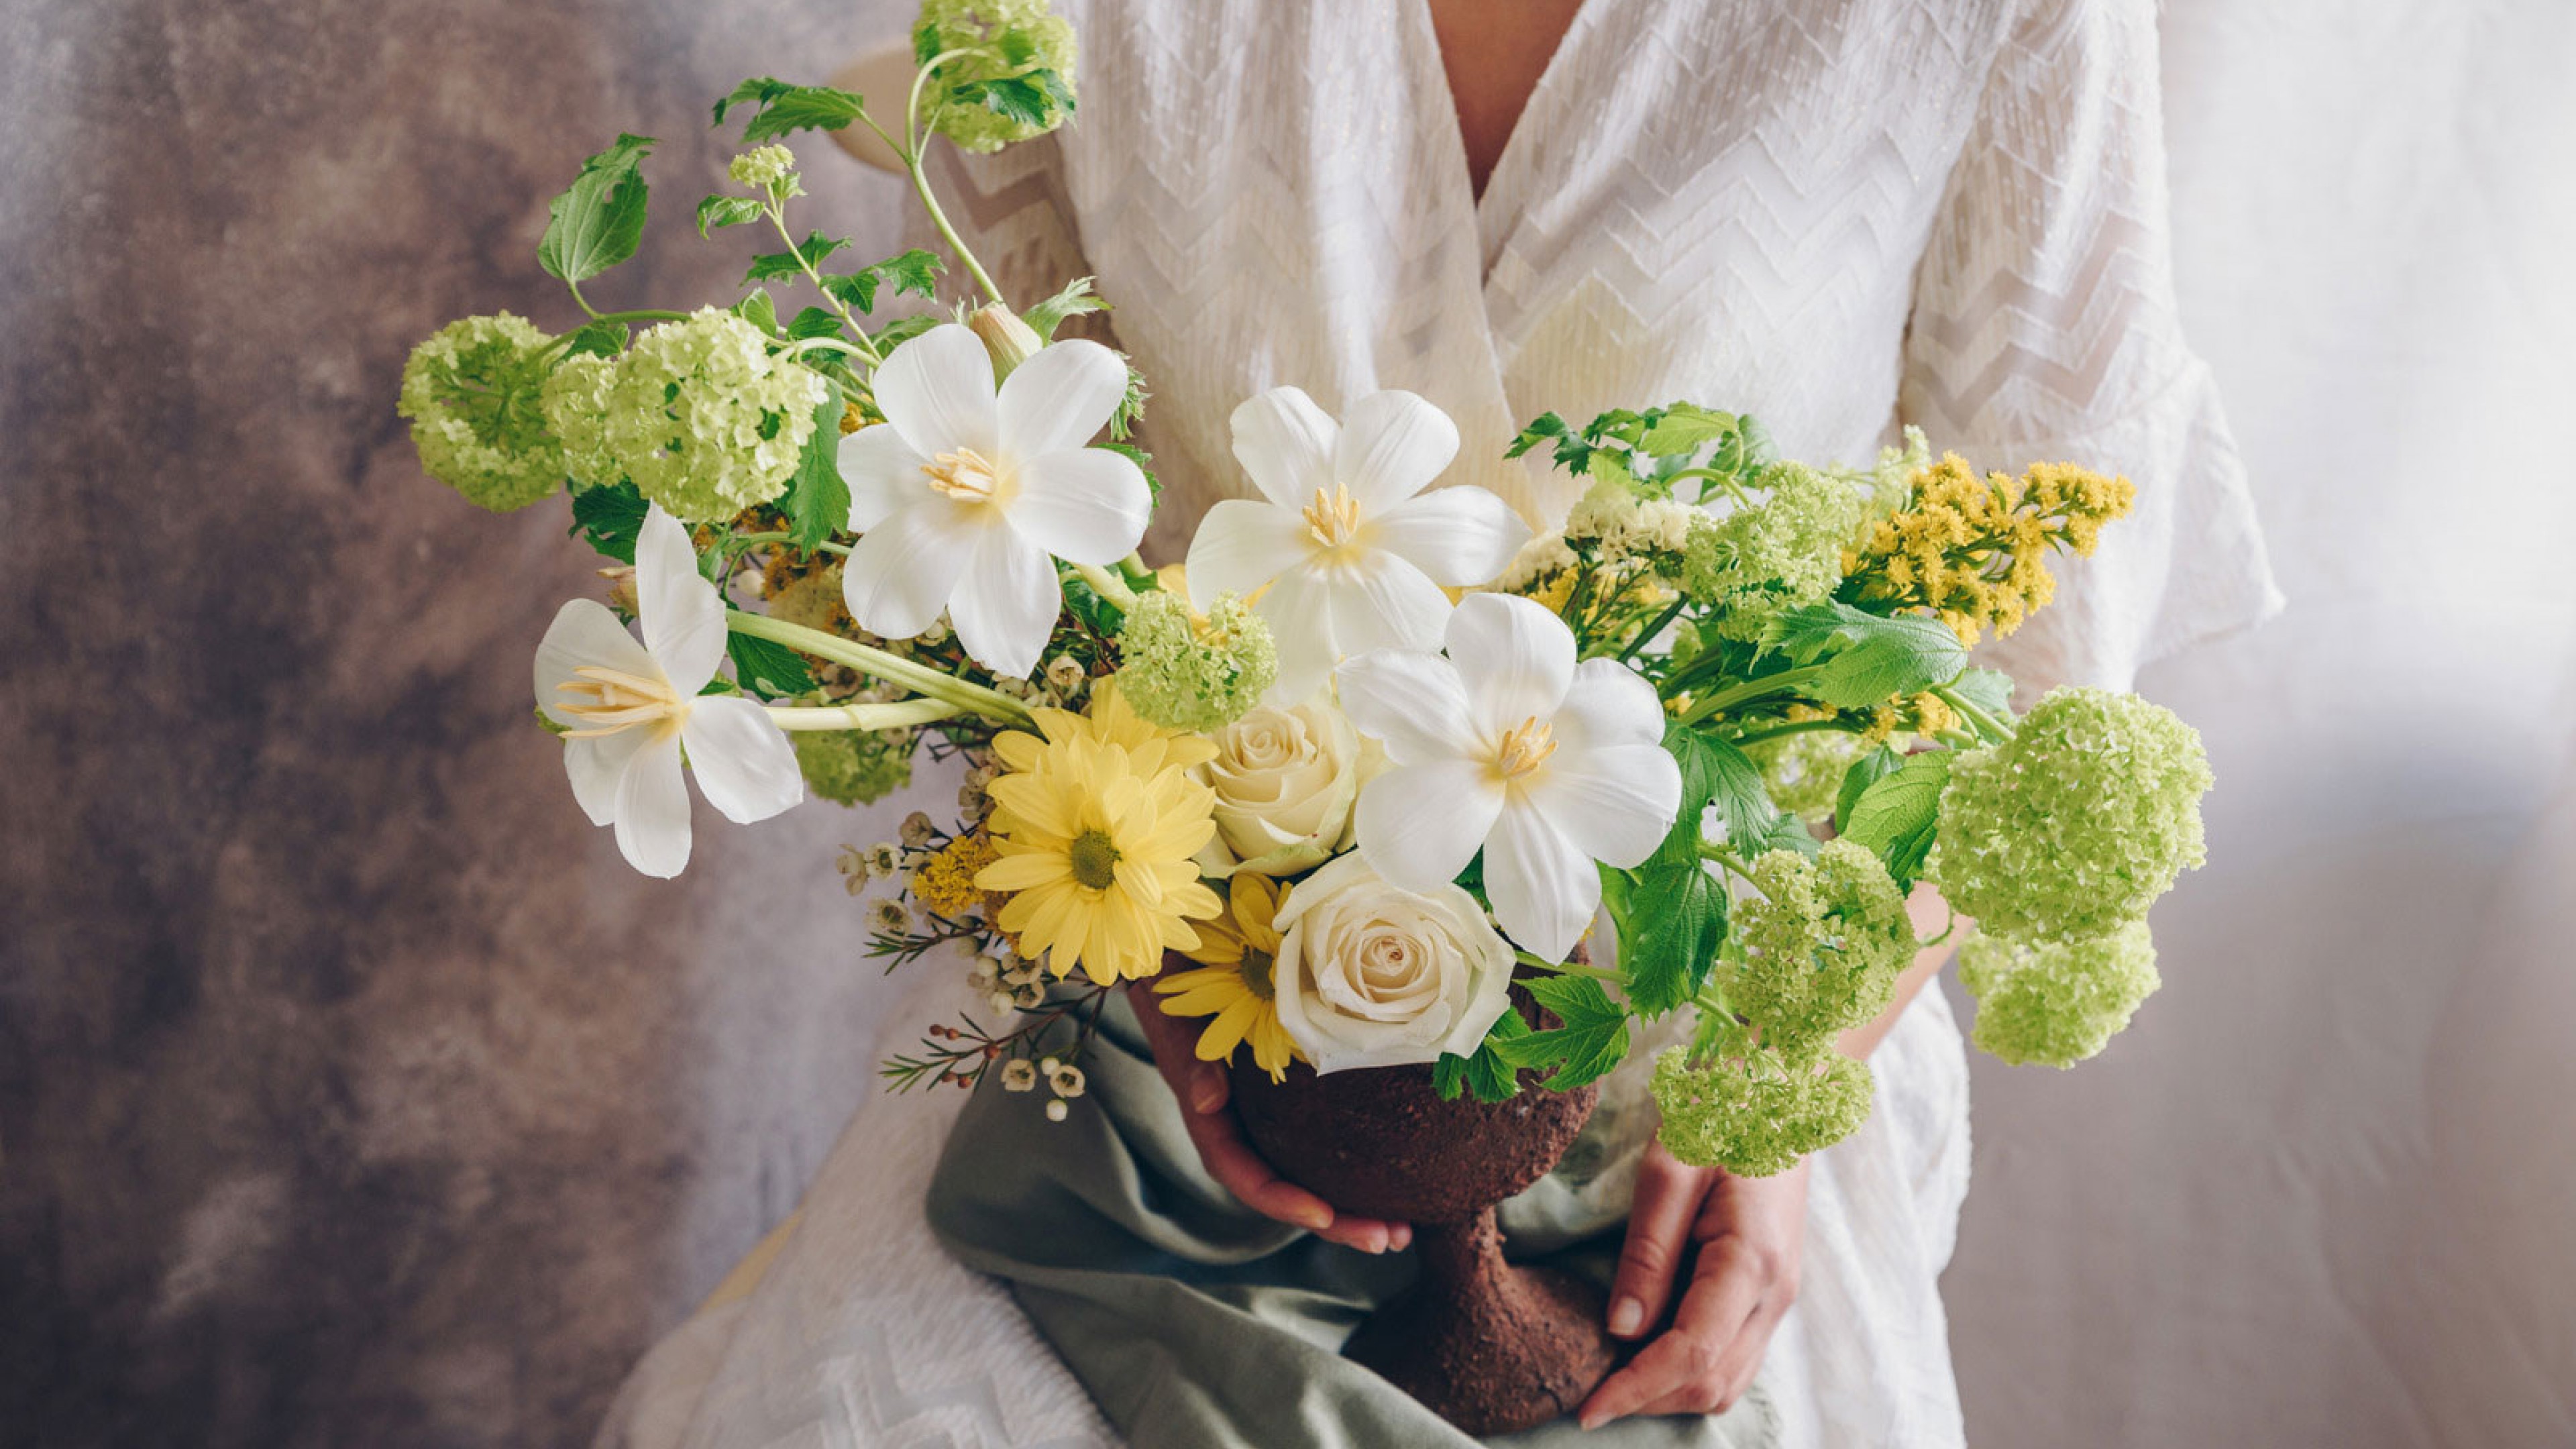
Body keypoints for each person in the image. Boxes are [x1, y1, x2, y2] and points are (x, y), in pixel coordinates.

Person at [596, 1, 2277, 1444]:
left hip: (1712, 1053)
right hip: (1178, 1027)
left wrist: (1783, 1087)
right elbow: (984, 509)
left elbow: (2049, 628)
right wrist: (1156, 958)